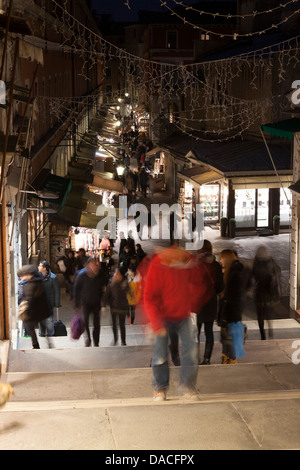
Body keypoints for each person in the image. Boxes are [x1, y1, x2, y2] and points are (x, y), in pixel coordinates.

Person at [143, 243, 210, 401]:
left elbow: (201, 284)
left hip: (185, 315)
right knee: (160, 355)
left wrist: (192, 304)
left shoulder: (189, 263)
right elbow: (149, 297)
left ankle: (187, 386)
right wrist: (156, 323)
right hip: (162, 316)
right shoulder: (157, 265)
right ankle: (160, 387)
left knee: (192, 352)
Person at [196, 240, 224, 365]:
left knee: (194, 333)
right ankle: (207, 359)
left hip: (196, 302)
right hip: (211, 302)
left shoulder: (194, 265)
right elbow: (220, 287)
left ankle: (195, 358)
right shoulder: (216, 265)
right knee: (209, 331)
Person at [219, 249, 248, 364]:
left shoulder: (235, 274)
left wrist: (229, 315)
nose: (220, 260)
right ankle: (227, 359)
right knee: (226, 340)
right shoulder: (232, 272)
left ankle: (230, 362)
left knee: (228, 341)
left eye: (222, 258)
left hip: (231, 314)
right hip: (230, 313)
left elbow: (235, 297)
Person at [73, 258, 108, 347]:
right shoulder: (82, 275)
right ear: (89, 265)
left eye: (97, 263)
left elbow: (105, 289)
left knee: (97, 324)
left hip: (96, 304)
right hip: (85, 303)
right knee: (85, 323)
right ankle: (88, 339)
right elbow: (76, 289)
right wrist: (76, 304)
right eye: (93, 263)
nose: (96, 265)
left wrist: (103, 302)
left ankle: (96, 342)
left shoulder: (101, 275)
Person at [17, 264, 52, 349]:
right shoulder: (39, 281)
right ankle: (48, 342)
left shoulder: (31, 284)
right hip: (42, 311)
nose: (21, 278)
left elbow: (28, 299)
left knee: (29, 327)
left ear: (28, 274)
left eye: (22, 276)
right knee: (42, 325)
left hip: (34, 312)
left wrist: (23, 308)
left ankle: (35, 345)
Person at [252, 245, 281, 340]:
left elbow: (254, 279)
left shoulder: (256, 264)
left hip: (259, 293)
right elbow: (276, 277)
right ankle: (270, 331)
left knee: (260, 316)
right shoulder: (271, 263)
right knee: (269, 314)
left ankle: (263, 335)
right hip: (269, 294)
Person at [103, 268, 130, 345]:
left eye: (117, 274)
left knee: (122, 325)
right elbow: (106, 296)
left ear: (121, 276)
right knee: (114, 325)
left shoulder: (124, 284)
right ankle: (115, 339)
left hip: (122, 308)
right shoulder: (111, 285)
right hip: (114, 308)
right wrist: (104, 305)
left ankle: (123, 341)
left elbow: (129, 293)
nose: (115, 276)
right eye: (115, 274)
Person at [38, 260, 61, 338]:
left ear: (44, 268)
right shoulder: (38, 277)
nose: (38, 267)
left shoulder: (53, 277)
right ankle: (41, 334)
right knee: (40, 319)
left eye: (40, 266)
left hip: (49, 302)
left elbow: (57, 291)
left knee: (49, 320)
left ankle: (51, 334)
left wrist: (57, 304)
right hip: (40, 302)